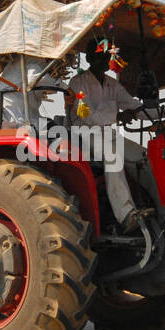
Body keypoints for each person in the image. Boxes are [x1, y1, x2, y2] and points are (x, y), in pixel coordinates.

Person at [65, 49, 150, 232]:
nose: (105, 60)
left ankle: (160, 208)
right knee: (112, 156)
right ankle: (127, 215)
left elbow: (133, 105)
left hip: (108, 134)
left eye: (107, 56)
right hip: (83, 134)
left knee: (144, 156)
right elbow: (86, 115)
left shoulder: (112, 84)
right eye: (100, 57)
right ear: (90, 59)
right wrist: (118, 116)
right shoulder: (78, 82)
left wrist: (160, 113)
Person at [0, 57, 52, 129]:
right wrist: (60, 85)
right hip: (21, 121)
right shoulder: (34, 63)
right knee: (53, 127)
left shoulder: (8, 73)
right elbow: (39, 80)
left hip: (4, 120)